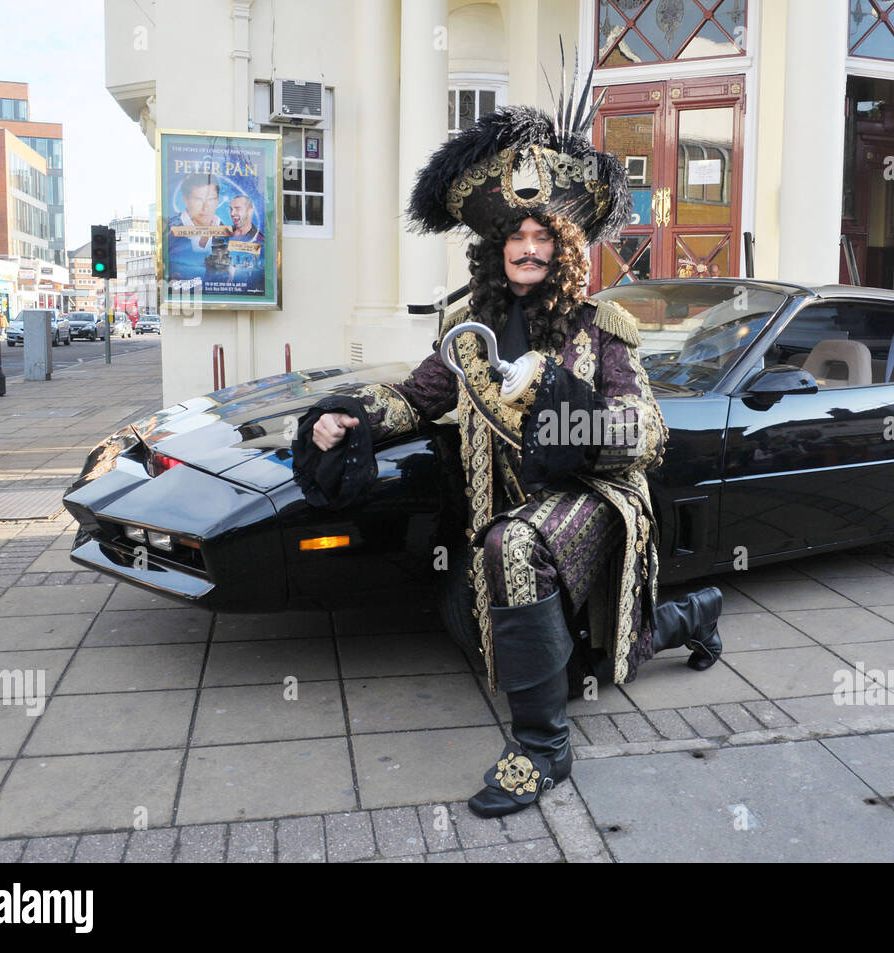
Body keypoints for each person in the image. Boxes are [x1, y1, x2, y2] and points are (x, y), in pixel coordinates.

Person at [304, 82, 723, 819]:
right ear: (497, 249)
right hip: (512, 508)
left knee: (514, 547)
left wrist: (567, 404)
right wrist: (346, 417)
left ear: (563, 246)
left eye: (543, 235)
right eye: (516, 236)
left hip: (597, 497)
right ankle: (694, 616)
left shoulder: (601, 327)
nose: (529, 247)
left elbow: (648, 433)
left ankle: (542, 747)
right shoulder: (469, 331)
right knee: (577, 652)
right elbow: (415, 398)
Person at [166, 173, 230, 257]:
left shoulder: (226, 232)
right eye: (198, 200)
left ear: (217, 200)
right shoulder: (169, 231)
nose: (205, 207)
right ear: (185, 200)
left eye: (210, 199)